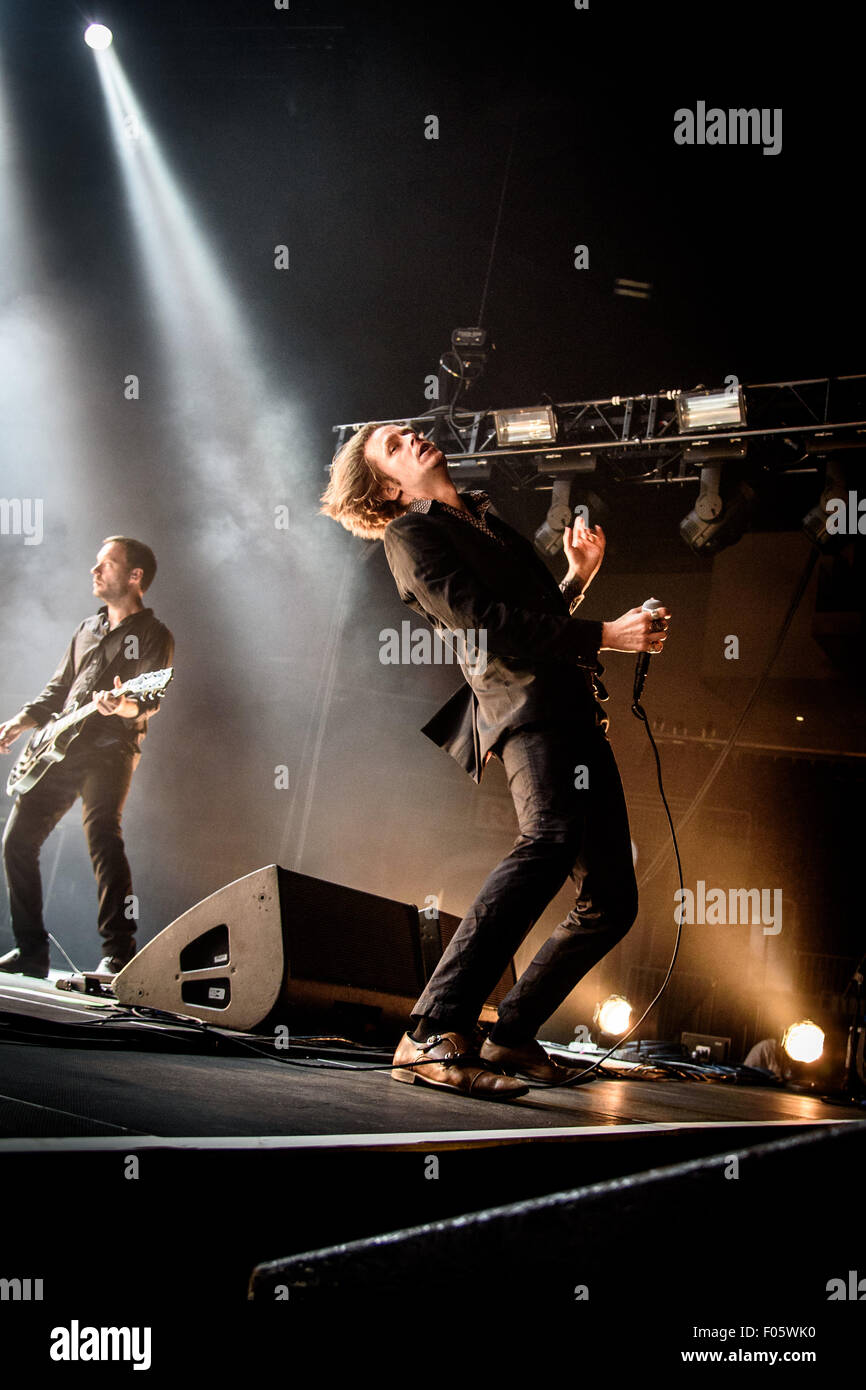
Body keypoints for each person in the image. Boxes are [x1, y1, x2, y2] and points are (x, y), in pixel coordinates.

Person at [321, 424, 670, 1101]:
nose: (413, 437)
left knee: (613, 899)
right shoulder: (409, 536)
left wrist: (576, 578)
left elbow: (524, 616)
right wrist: (608, 634)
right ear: (387, 488)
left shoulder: (480, 519)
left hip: (568, 709)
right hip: (526, 711)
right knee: (546, 842)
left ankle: (509, 1033)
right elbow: (483, 624)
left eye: (407, 431)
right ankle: (429, 1032)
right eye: (393, 445)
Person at [0, 537, 174, 980]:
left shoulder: (155, 635)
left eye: (106, 564)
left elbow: (150, 699)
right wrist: (21, 722)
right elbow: (58, 689)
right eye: (96, 564)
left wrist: (123, 706)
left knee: (102, 834)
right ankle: (31, 950)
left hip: (110, 751)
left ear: (135, 577)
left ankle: (118, 954)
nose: (95, 571)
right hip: (58, 750)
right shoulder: (87, 628)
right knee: (17, 842)